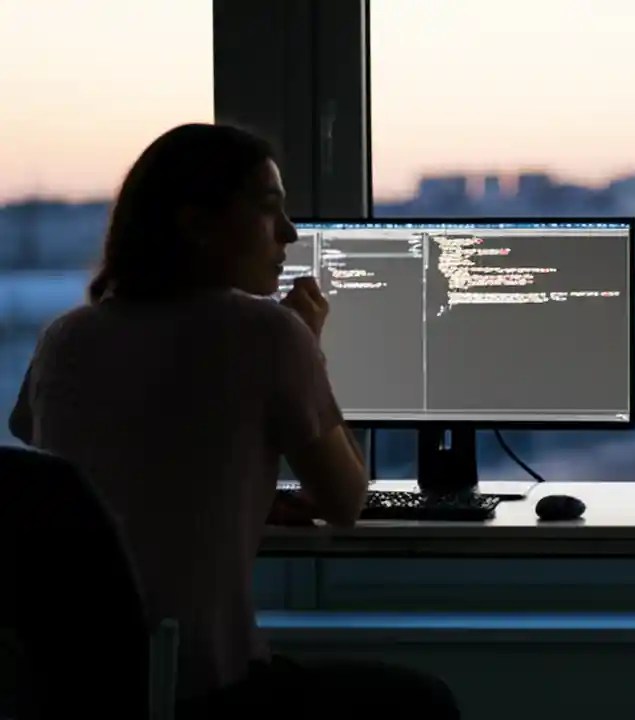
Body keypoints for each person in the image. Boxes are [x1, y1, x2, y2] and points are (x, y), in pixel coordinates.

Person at [7, 123, 459, 719]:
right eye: (270, 210)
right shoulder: (265, 332)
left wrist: (235, 491)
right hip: (203, 690)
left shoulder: (66, 335)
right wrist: (309, 345)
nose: (290, 234)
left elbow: (42, 452)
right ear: (196, 224)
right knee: (422, 703)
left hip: (69, 692)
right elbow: (347, 498)